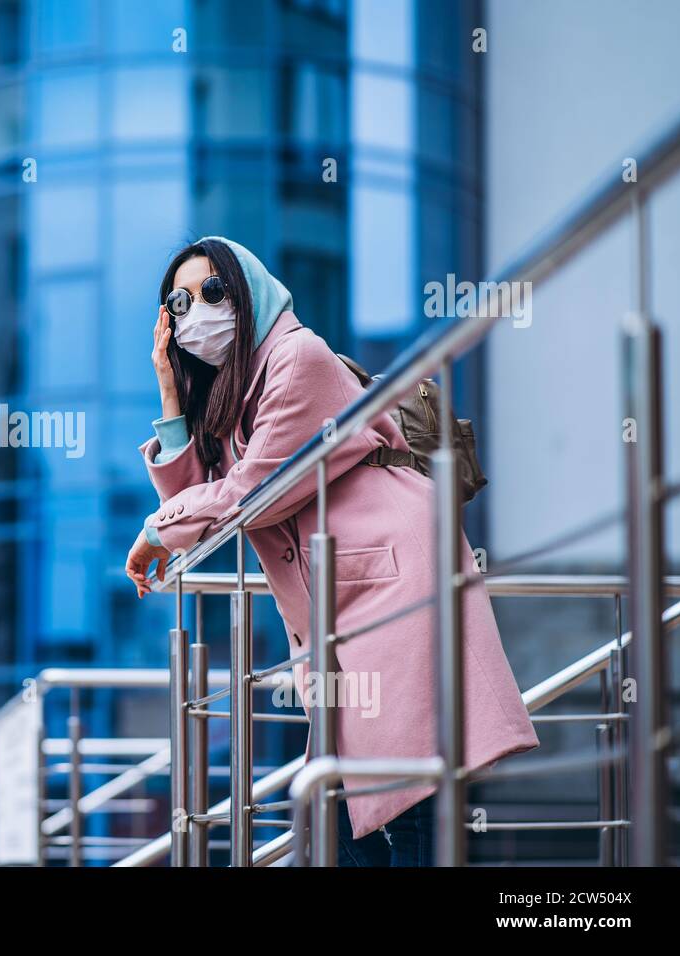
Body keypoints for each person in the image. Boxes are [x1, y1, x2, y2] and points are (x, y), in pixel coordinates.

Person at [123, 236, 538, 866]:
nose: (198, 310)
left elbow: (250, 492)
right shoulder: (236, 399)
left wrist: (157, 530)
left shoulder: (299, 358)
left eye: (214, 291)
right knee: (342, 816)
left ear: (250, 291)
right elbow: (205, 502)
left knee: (406, 803)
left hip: (394, 580)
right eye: (180, 301)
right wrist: (171, 396)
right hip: (341, 610)